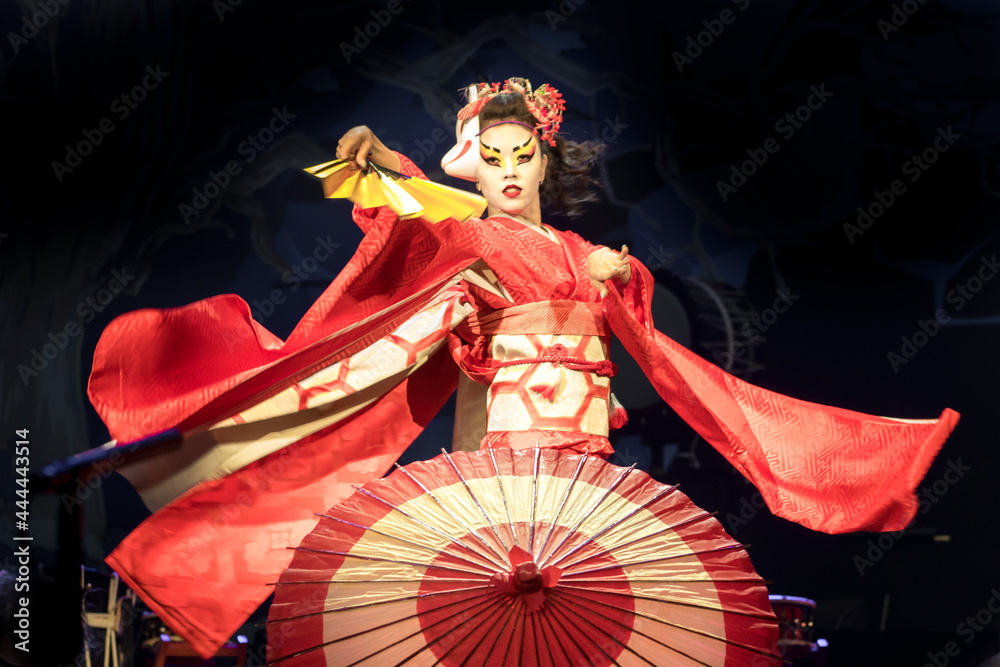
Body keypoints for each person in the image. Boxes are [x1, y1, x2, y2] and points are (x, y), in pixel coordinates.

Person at [86, 77, 959, 658]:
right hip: (503, 449)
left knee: (580, 614)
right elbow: (407, 215)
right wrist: (380, 165)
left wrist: (621, 274)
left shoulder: (582, 248)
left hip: (585, 457)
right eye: (492, 159)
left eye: (522, 157)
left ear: (548, 160)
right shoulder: (468, 232)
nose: (507, 173)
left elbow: (631, 324)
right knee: (489, 605)